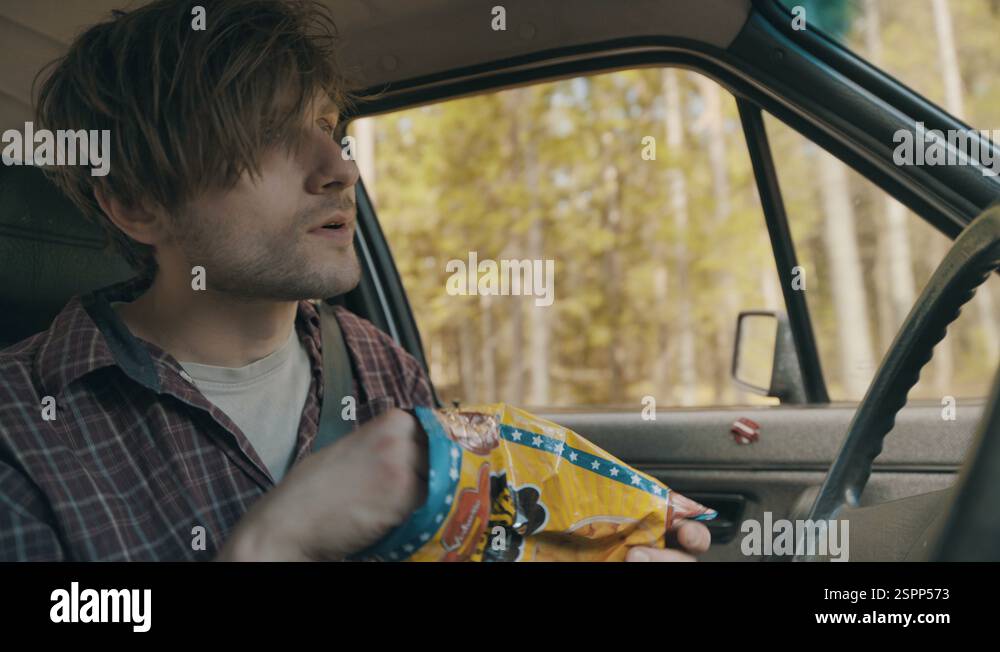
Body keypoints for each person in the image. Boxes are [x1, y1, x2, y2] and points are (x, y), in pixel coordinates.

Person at [0, 0, 709, 562]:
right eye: (272, 135)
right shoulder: (23, 435)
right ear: (137, 203)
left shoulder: (375, 363)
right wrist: (272, 545)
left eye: (327, 126)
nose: (342, 167)